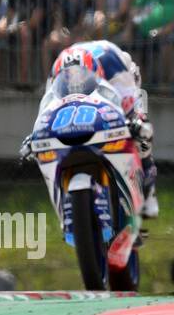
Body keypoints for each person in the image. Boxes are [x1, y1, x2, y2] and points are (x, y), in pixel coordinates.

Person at [40, 39, 157, 217]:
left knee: (140, 129)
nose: (76, 89)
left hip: (120, 68)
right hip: (80, 62)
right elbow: (46, 112)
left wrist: (132, 122)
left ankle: (148, 186)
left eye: (81, 83)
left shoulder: (115, 71)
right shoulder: (55, 76)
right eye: (71, 84)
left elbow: (130, 109)